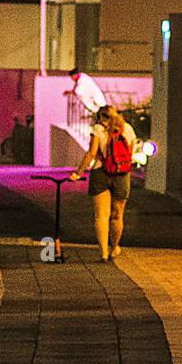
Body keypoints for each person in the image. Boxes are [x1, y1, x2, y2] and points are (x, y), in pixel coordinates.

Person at [68, 105, 135, 261]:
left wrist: (78, 173)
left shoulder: (98, 129)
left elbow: (91, 153)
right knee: (118, 215)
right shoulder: (127, 129)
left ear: (100, 117)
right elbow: (129, 154)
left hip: (100, 172)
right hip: (122, 175)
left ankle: (103, 252)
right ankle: (115, 247)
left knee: (101, 215)